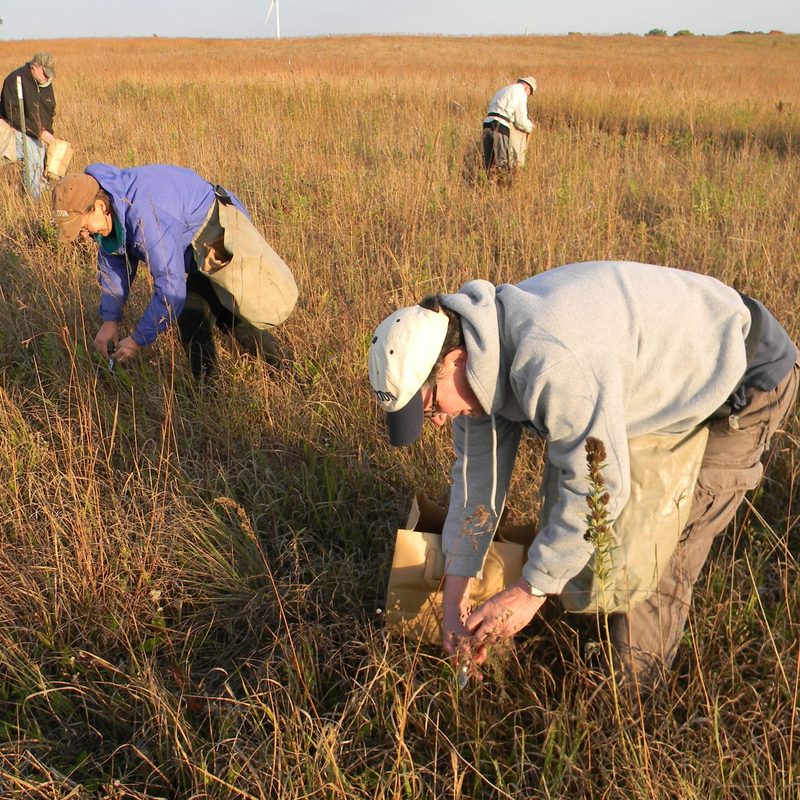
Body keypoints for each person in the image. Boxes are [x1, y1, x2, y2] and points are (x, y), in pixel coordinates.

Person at [368, 261, 799, 692]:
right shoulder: (477, 359)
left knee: (656, 549)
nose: (438, 422)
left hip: (742, 376)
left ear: (455, 359)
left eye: (430, 407)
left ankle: (632, 709)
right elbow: (477, 487)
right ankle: (584, 626)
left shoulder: (551, 362)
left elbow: (602, 487)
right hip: (653, 373)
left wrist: (530, 591)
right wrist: (455, 592)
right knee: (583, 511)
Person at [52, 164, 298, 380]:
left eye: (83, 228)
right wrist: (110, 320)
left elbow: (171, 289)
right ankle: (212, 389)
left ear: (98, 206)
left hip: (218, 230)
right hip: (188, 242)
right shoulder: (111, 210)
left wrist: (138, 341)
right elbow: (114, 262)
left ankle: (281, 373)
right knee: (199, 315)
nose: (85, 236)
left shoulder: (144, 218)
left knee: (216, 309)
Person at [1, 52, 57, 199]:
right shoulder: (15, 80)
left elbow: (49, 111)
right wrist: (38, 132)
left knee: (47, 152)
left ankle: (42, 191)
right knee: (32, 150)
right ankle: (34, 200)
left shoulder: (46, 83)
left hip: (34, 132)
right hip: (11, 129)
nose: (47, 77)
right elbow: (12, 114)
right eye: (45, 73)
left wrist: (48, 134)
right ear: (34, 67)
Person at [482, 76, 536, 174]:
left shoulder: (504, 89)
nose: (528, 96)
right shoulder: (521, 92)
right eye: (530, 93)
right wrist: (530, 126)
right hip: (500, 126)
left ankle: (489, 186)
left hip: (486, 123)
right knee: (501, 163)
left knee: (488, 164)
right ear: (527, 87)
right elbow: (520, 120)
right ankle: (501, 186)